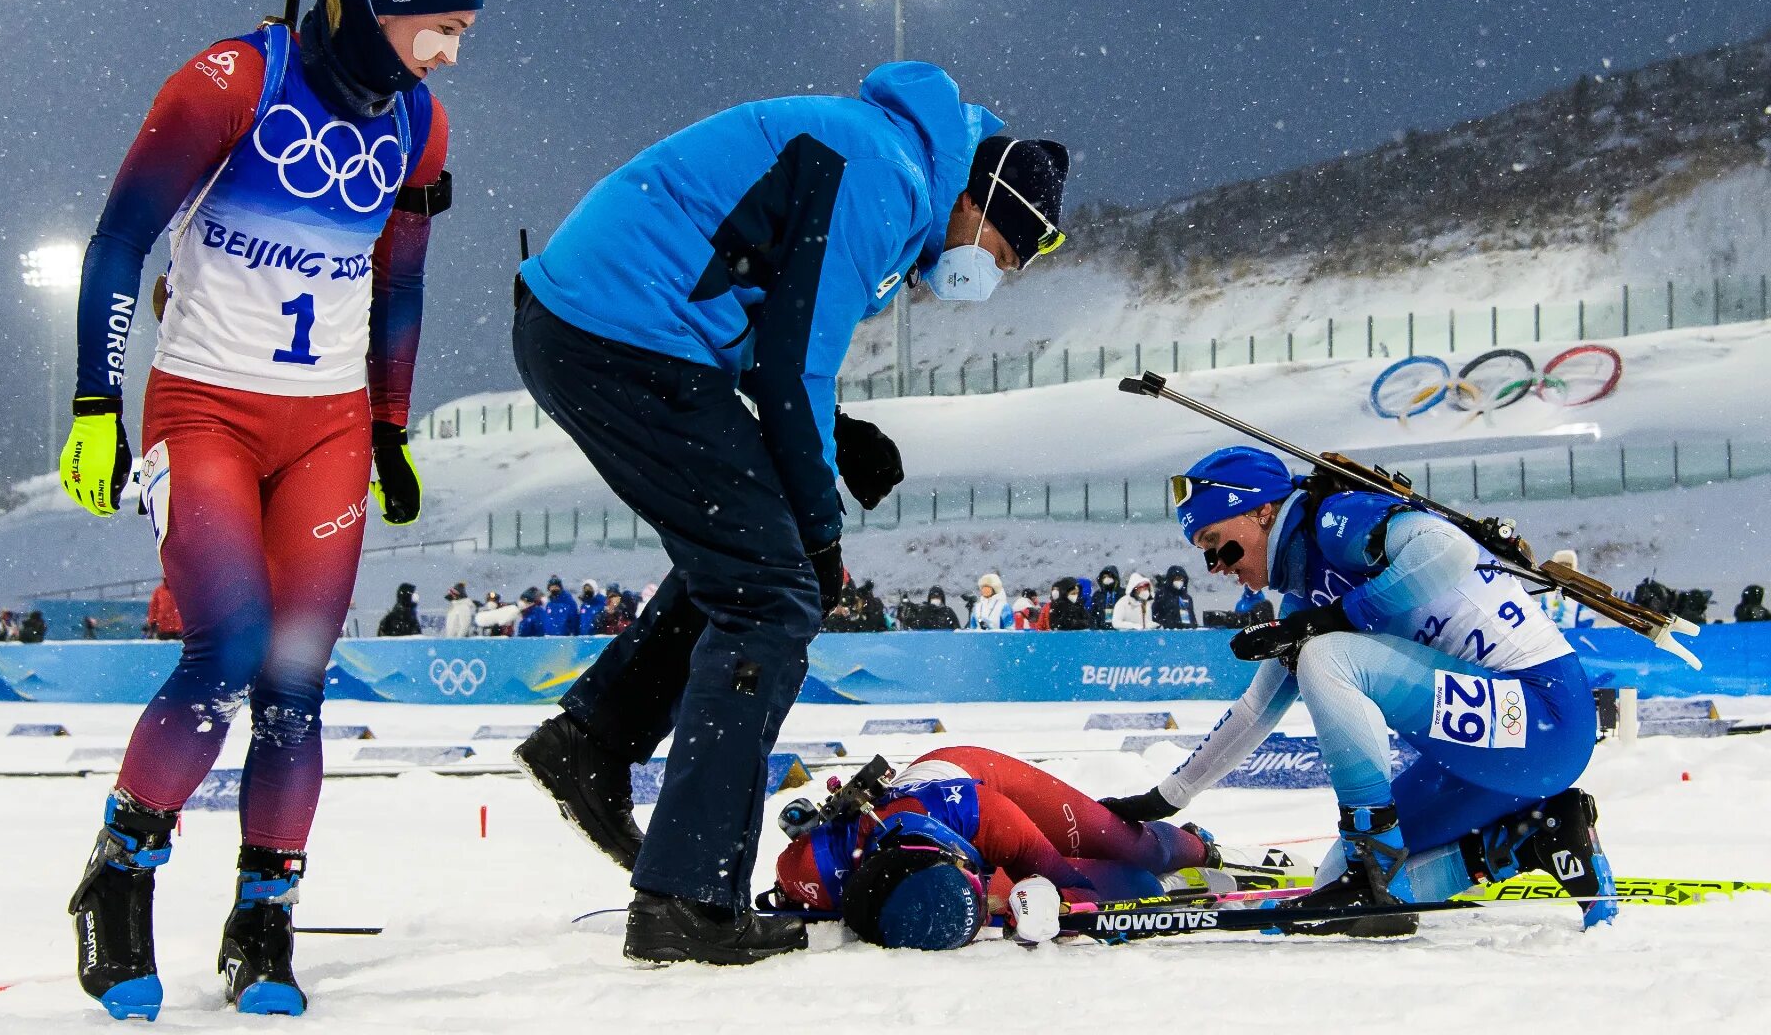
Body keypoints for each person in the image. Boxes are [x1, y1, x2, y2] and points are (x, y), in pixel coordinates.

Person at [511, 60, 1068, 965]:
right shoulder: (887, 177)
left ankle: (594, 742)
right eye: (1001, 253)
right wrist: (821, 532)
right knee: (772, 592)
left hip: (614, 326)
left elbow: (755, 313)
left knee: (749, 565)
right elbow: (788, 365)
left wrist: (834, 435)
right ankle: (686, 897)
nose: (989, 275)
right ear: (977, 200)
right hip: (620, 336)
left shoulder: (886, 162)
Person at [56, 0, 480, 1019]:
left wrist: (389, 425)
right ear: (375, 4)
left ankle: (263, 922)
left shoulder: (419, 124)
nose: (449, 53)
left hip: (326, 426)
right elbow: (119, 239)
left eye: (463, 33)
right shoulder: (233, 81)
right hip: (206, 410)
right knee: (229, 647)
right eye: (439, 27)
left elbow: (401, 280)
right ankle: (119, 876)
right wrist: (97, 398)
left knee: (295, 680)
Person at [1101, 447, 1617, 937]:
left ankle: (1370, 863)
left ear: (1261, 512)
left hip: (1543, 714)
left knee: (1324, 654)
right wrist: (1165, 798)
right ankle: (1536, 839)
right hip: (1486, 754)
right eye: (1205, 553)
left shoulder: (1336, 521)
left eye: (1215, 541)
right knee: (1333, 884)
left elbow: (1451, 550)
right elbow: (1255, 710)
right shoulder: (1305, 600)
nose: (1216, 564)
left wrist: (1338, 617)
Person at [764, 746, 1216, 948]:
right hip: (932, 851)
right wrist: (1037, 905)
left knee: (1126, 849)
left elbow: (1072, 882)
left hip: (977, 788)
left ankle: (1198, 848)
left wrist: (1064, 899)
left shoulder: (985, 818)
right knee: (1128, 887)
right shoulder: (811, 876)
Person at [1535, 550, 1589, 628]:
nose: (1563, 568)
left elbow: (1586, 620)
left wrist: (1575, 632)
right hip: (1551, 633)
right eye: (1560, 565)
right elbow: (1542, 616)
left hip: (1571, 633)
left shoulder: (1580, 592)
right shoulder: (1548, 593)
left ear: (1573, 567)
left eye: (1567, 565)